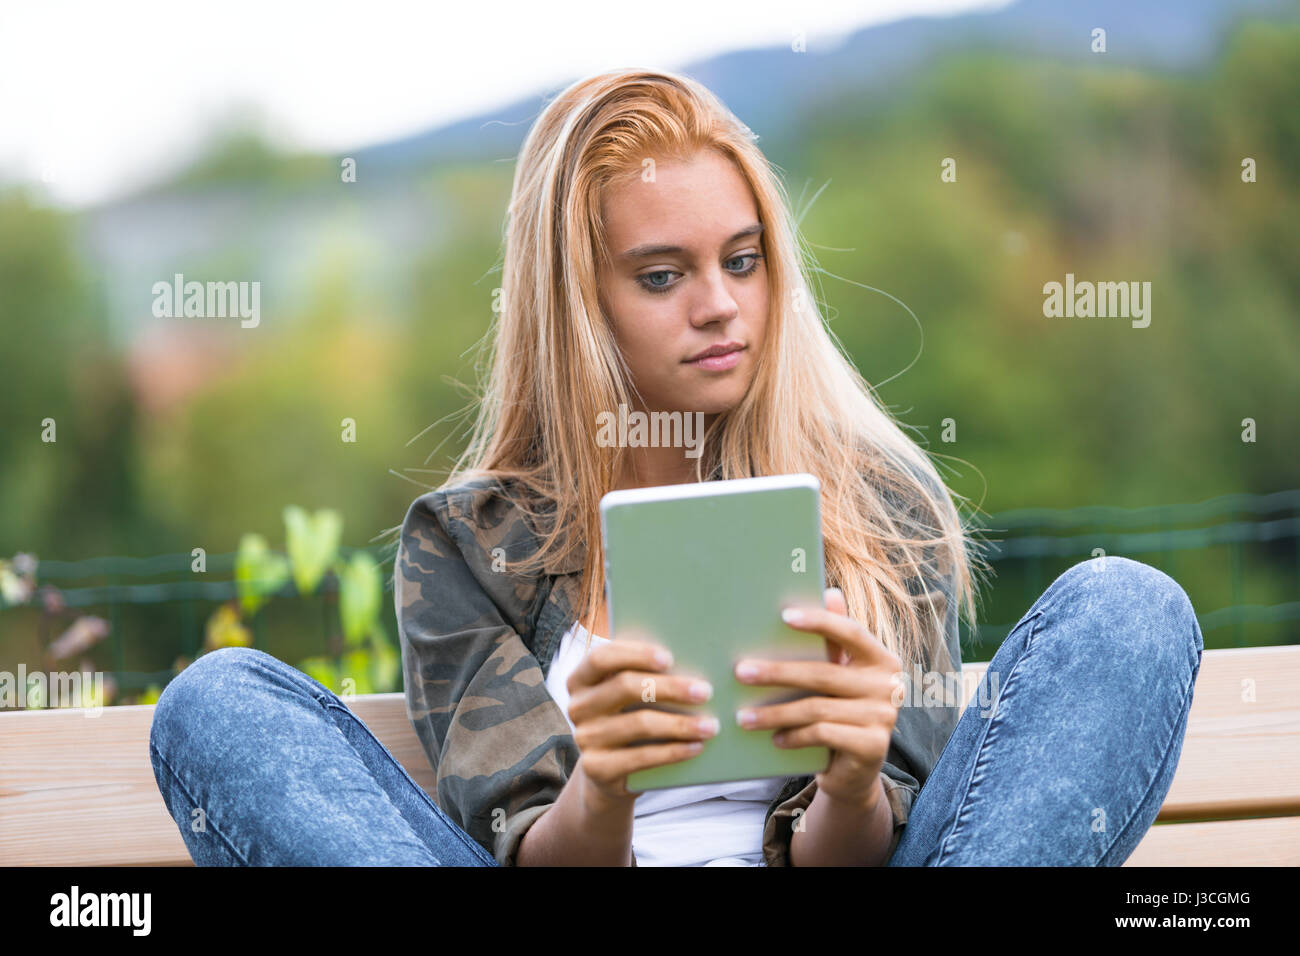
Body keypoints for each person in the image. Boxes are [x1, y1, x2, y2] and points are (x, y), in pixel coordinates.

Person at [149, 68, 1203, 867]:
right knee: (216, 701)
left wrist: (847, 782)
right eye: (663, 274)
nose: (720, 304)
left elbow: (895, 844)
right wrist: (603, 783)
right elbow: (518, 843)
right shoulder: (471, 545)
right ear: (576, 303)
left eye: (741, 260)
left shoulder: (884, 510)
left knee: (1127, 606)